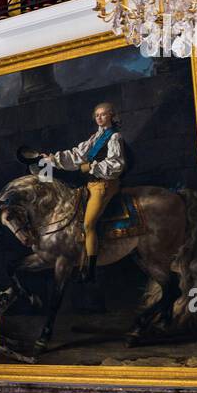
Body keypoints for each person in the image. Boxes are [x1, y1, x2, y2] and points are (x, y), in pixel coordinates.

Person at [40, 101, 128, 282]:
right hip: (90, 184)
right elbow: (76, 155)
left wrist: (91, 167)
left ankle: (91, 270)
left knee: (88, 225)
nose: (100, 117)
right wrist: (53, 159)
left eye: (103, 114)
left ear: (112, 115)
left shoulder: (115, 137)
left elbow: (116, 164)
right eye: (97, 115)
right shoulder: (95, 137)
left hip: (105, 184)